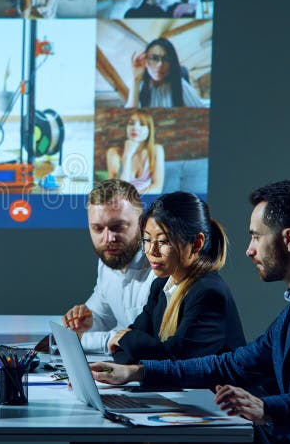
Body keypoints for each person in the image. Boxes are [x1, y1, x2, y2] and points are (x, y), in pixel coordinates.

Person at [91, 180, 290, 444]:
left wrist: (266, 408)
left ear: (289, 239)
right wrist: (139, 372)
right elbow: (233, 363)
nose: (249, 249)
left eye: (256, 236)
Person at [109, 191, 245, 364]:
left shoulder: (209, 293)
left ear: (196, 243)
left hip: (215, 391)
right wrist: (130, 343)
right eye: (147, 240)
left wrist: (127, 340)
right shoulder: (160, 286)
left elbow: (176, 360)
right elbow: (126, 351)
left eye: (163, 241)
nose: (151, 251)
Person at [62, 179, 157, 353]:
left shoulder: (160, 267)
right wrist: (85, 323)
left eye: (117, 227)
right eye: (97, 228)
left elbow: (147, 341)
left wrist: (84, 340)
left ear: (142, 223)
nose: (108, 239)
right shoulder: (108, 262)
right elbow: (100, 315)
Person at [125, 37, 209, 109]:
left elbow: (200, 113)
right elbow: (129, 118)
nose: (160, 64)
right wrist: (136, 79)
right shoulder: (138, 86)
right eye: (154, 58)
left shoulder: (180, 85)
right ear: (145, 61)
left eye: (166, 59)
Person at [106, 110, 165, 194]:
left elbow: (157, 187)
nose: (135, 128)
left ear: (149, 130)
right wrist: (127, 156)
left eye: (142, 124)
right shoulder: (113, 153)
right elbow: (117, 191)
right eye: (131, 123)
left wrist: (135, 200)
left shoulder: (156, 150)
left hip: (146, 201)